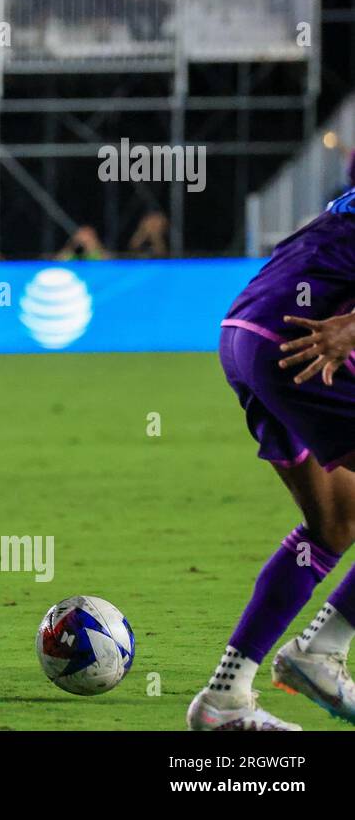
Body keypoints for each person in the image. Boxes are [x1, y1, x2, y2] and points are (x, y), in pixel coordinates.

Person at [187, 186, 355, 729]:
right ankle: (319, 651)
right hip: (311, 340)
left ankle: (224, 698)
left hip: (246, 332)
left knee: (336, 522)